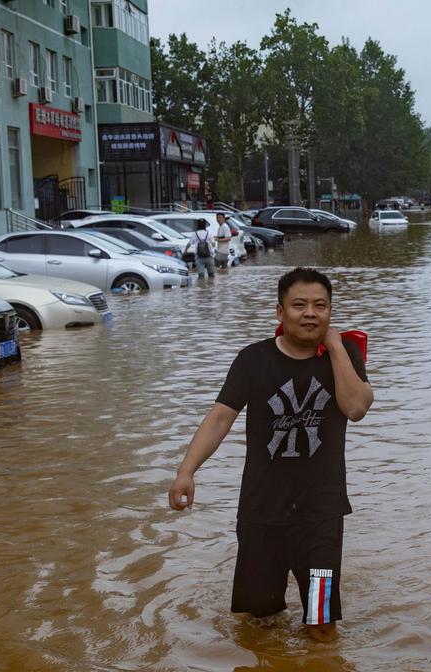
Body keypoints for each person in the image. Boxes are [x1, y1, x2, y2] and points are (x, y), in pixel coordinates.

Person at [169, 268, 373, 642]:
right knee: (260, 622)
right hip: (261, 512)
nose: (310, 313)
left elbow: (356, 407)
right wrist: (187, 470)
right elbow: (219, 418)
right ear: (280, 312)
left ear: (331, 312)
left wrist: (337, 347)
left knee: (322, 620)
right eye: (299, 305)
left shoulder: (344, 358)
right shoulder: (253, 360)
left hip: (322, 516)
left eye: (320, 306)